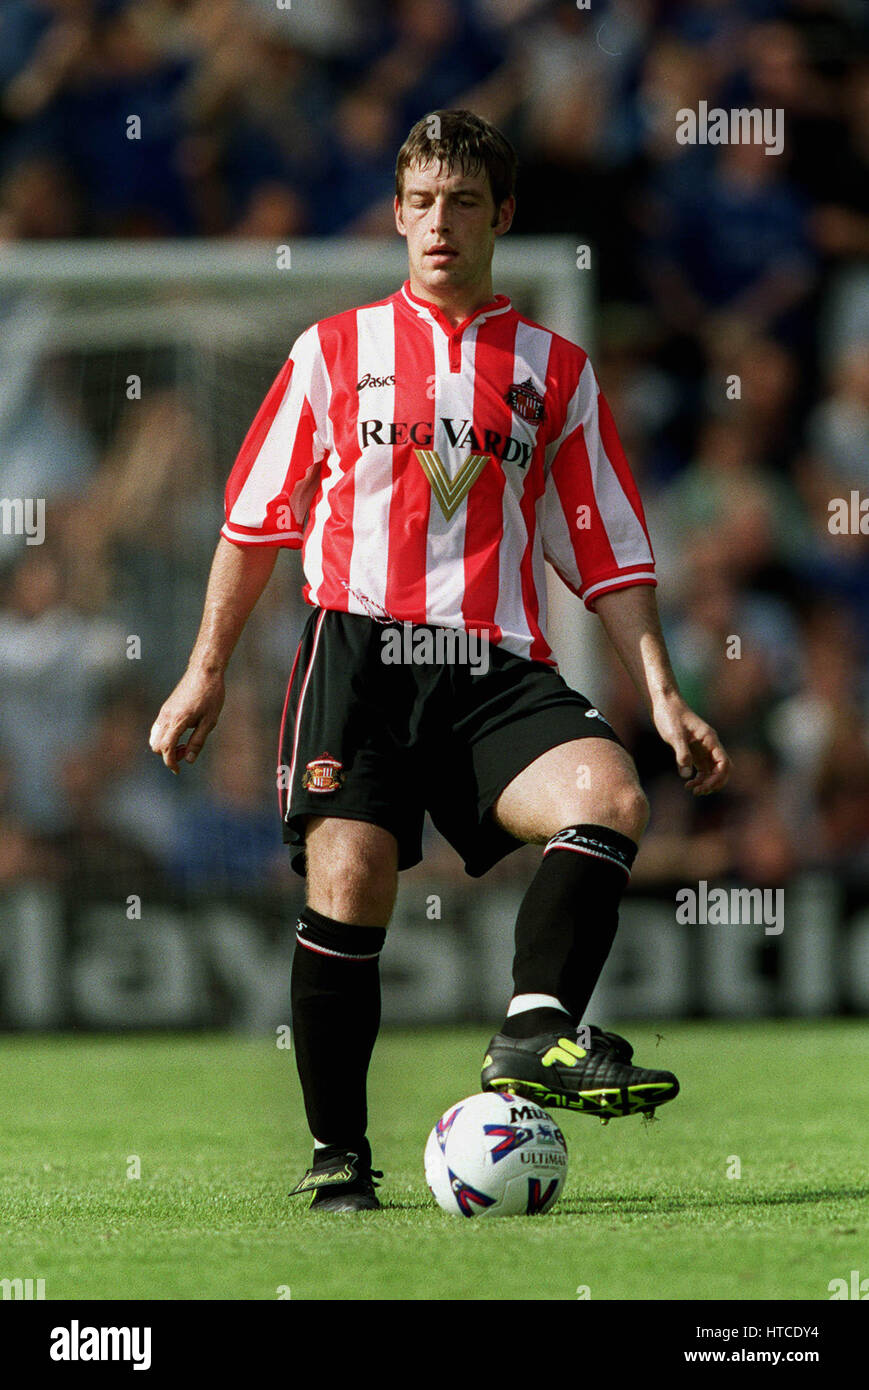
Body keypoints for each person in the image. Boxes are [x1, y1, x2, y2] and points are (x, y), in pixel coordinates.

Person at [149, 110, 730, 1213]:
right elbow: (254, 521)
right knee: (351, 882)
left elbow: (602, 546)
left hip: (492, 664)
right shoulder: (330, 353)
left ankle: (532, 1030)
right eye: (418, 202)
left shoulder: (555, 369)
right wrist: (204, 669)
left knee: (607, 794)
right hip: (359, 653)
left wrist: (658, 687)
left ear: (501, 216)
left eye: (462, 203)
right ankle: (337, 1161)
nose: (437, 224)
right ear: (397, 213)